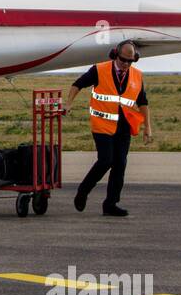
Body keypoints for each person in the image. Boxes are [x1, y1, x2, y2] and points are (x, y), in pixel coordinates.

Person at [62, 40, 154, 217]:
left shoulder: (136, 76)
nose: (126, 64)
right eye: (123, 60)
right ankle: (83, 191)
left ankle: (110, 204)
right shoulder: (99, 70)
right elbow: (77, 84)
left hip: (124, 127)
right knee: (106, 160)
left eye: (131, 61)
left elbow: (143, 102)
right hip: (102, 124)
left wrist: (147, 127)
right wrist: (68, 104)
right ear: (115, 55)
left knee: (120, 164)